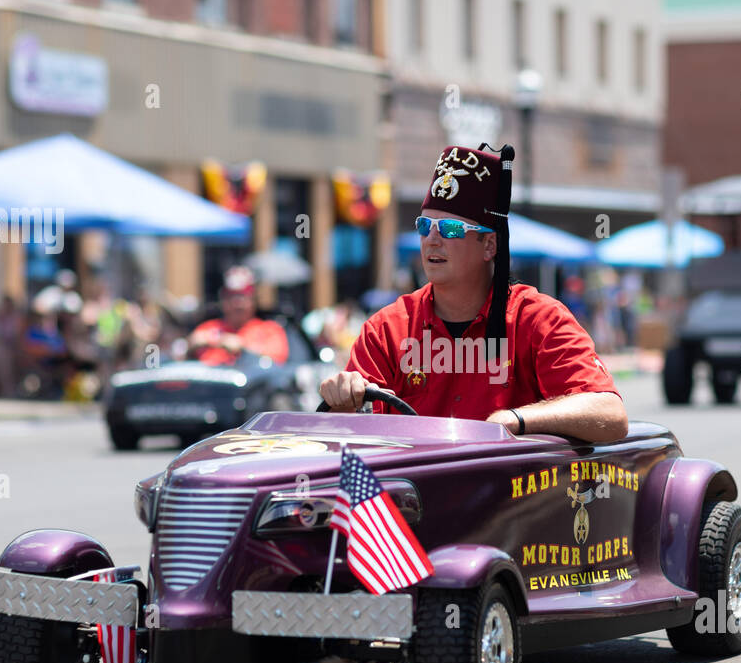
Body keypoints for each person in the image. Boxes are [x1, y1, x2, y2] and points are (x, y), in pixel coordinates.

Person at [320, 143, 628, 443]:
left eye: (451, 229)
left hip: (509, 493)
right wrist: (344, 400)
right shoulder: (387, 329)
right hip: (416, 493)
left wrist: (515, 420)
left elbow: (610, 415)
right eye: (425, 225)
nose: (432, 239)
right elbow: (351, 442)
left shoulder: (539, 320)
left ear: (490, 245)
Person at [187, 266, 289, 366]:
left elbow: (277, 362)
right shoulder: (208, 328)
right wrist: (190, 347)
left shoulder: (270, 330)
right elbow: (181, 361)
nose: (237, 304)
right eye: (231, 297)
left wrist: (243, 348)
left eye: (243, 297)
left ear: (253, 301)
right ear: (222, 300)